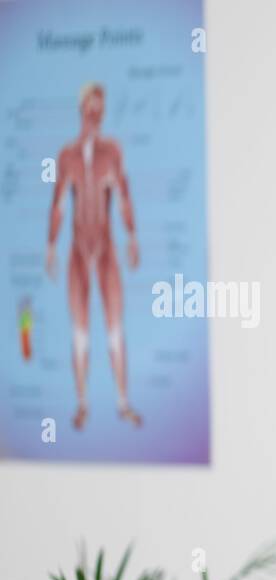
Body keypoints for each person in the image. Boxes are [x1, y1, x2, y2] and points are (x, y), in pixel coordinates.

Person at [45, 82, 142, 430]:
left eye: (100, 108)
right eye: (91, 107)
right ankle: (83, 403)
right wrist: (51, 246)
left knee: (115, 328)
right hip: (76, 251)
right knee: (80, 332)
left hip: (105, 250)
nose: (96, 114)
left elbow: (125, 195)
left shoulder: (112, 151)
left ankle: (122, 402)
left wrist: (132, 236)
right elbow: (57, 204)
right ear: (81, 109)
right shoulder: (66, 156)